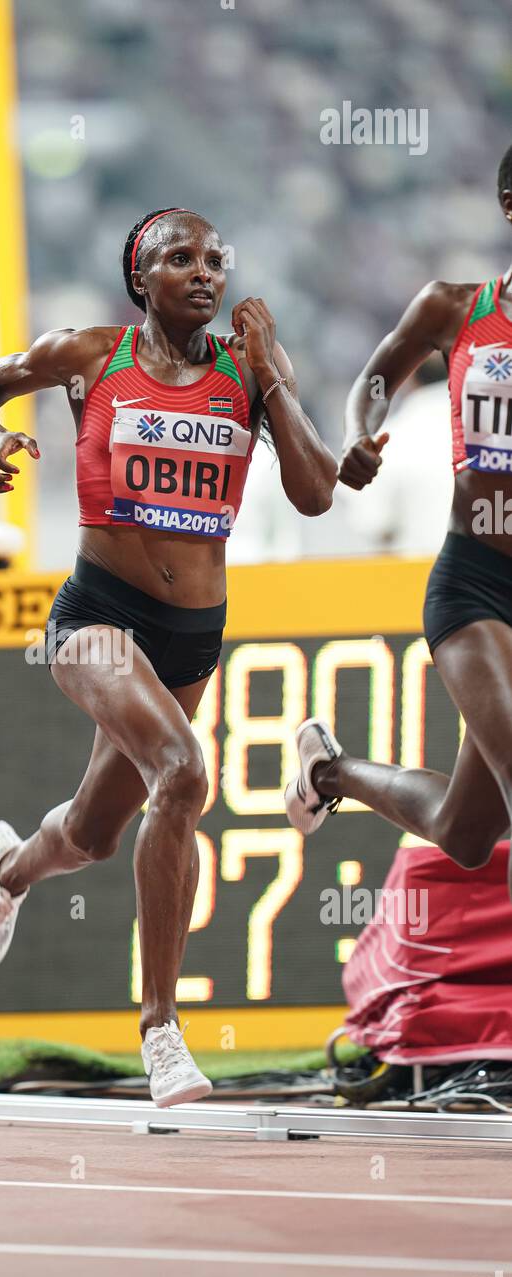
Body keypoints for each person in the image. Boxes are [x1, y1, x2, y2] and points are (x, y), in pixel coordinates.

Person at [0, 207, 337, 1106]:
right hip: (97, 616)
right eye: (180, 259)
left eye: (214, 259)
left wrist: (274, 376)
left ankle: (8, 874)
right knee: (183, 771)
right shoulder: (93, 356)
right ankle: (161, 1030)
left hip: (190, 640)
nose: (204, 272)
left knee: (91, 836)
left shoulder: (248, 369)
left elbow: (317, 493)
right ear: (142, 279)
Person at [286, 146, 512, 899]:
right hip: (477, 589)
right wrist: (357, 433)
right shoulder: (456, 308)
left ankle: (329, 772)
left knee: (466, 834)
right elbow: (376, 380)